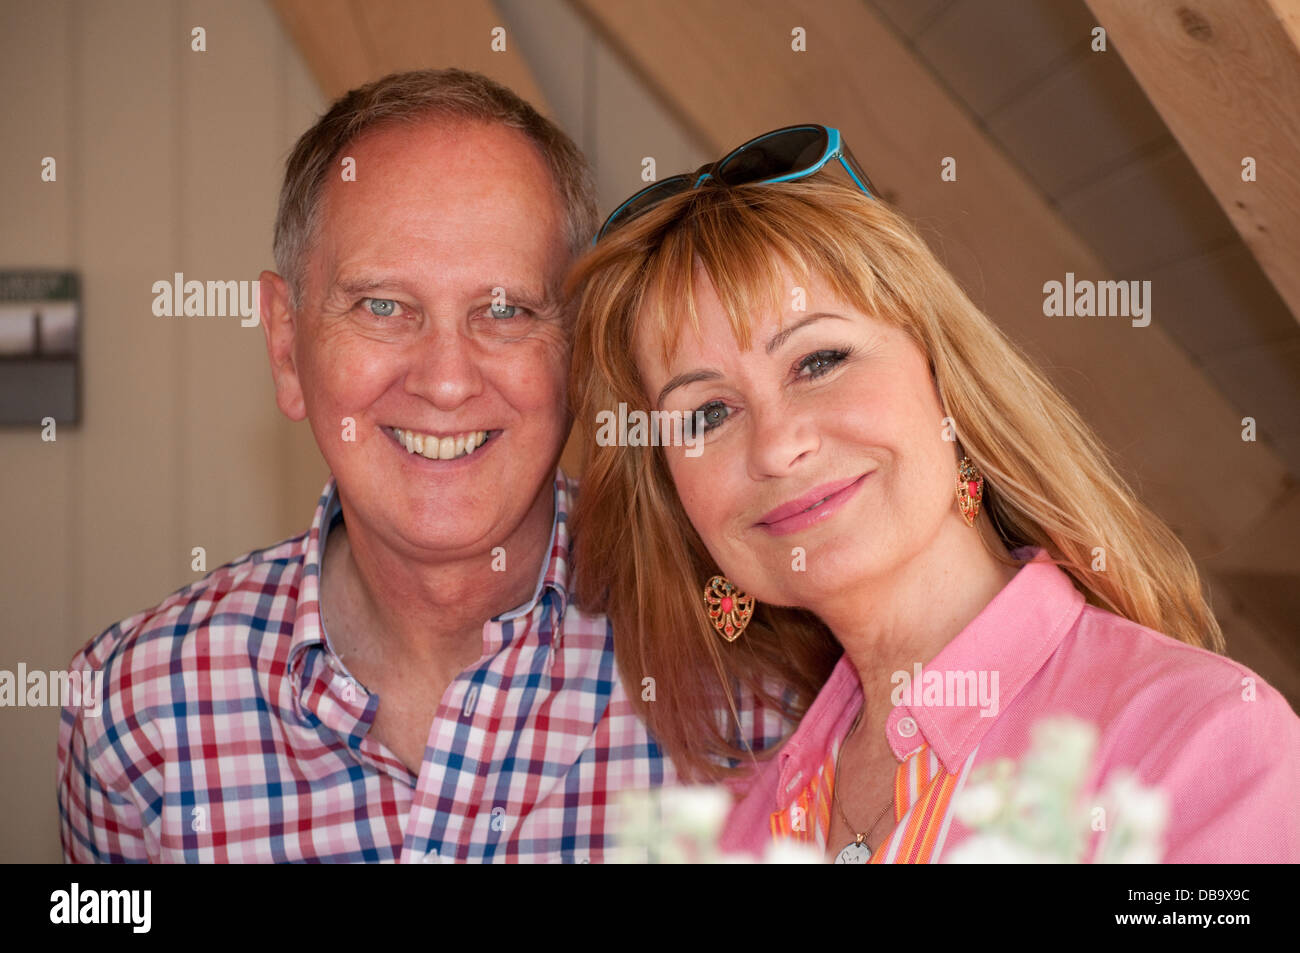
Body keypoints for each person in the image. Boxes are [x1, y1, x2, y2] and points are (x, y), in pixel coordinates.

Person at [56, 70, 787, 864]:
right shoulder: (133, 713)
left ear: (578, 352)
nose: (445, 380)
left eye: (506, 310)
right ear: (284, 345)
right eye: (381, 306)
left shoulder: (759, 677)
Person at [565, 124, 1300, 863]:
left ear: (945, 374)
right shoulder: (732, 832)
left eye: (819, 360)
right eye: (708, 413)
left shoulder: (1201, 741)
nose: (777, 445)